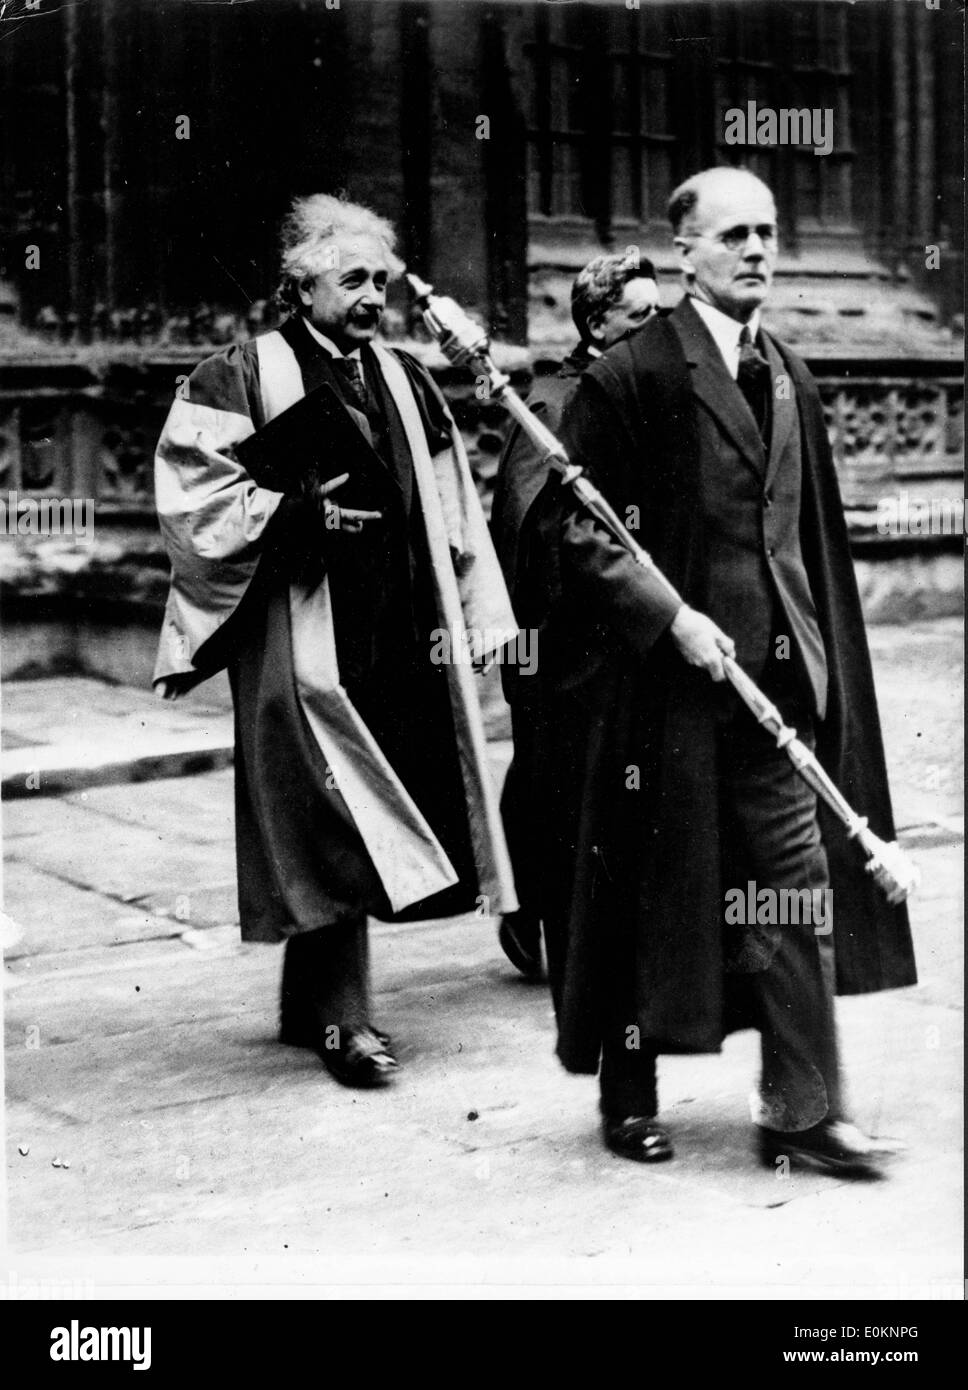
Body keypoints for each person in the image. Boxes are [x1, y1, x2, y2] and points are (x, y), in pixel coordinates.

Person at [534, 167, 916, 1174]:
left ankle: (797, 1111)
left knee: (792, 894)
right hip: (664, 692)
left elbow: (801, 536)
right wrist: (669, 618)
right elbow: (575, 527)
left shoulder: (787, 368)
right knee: (643, 889)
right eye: (734, 234)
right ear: (685, 253)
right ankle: (627, 1097)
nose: (756, 250)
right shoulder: (633, 374)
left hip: (777, 689)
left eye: (769, 233)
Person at [153, 194, 517, 1089]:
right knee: (332, 805)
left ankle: (301, 1002)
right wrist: (299, 514)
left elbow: (452, 501)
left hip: (393, 623)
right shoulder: (239, 375)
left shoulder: (403, 374)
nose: (372, 299)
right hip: (297, 626)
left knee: (360, 799)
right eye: (352, 279)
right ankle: (347, 1022)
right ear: (298, 285)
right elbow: (192, 501)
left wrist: (476, 606)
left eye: (381, 282)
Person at [490, 253, 660, 978]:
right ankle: (539, 925)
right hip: (566, 644)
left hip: (633, 631)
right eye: (641, 319)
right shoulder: (558, 402)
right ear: (596, 324)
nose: (660, 331)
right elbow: (528, 526)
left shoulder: (646, 392)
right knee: (556, 782)